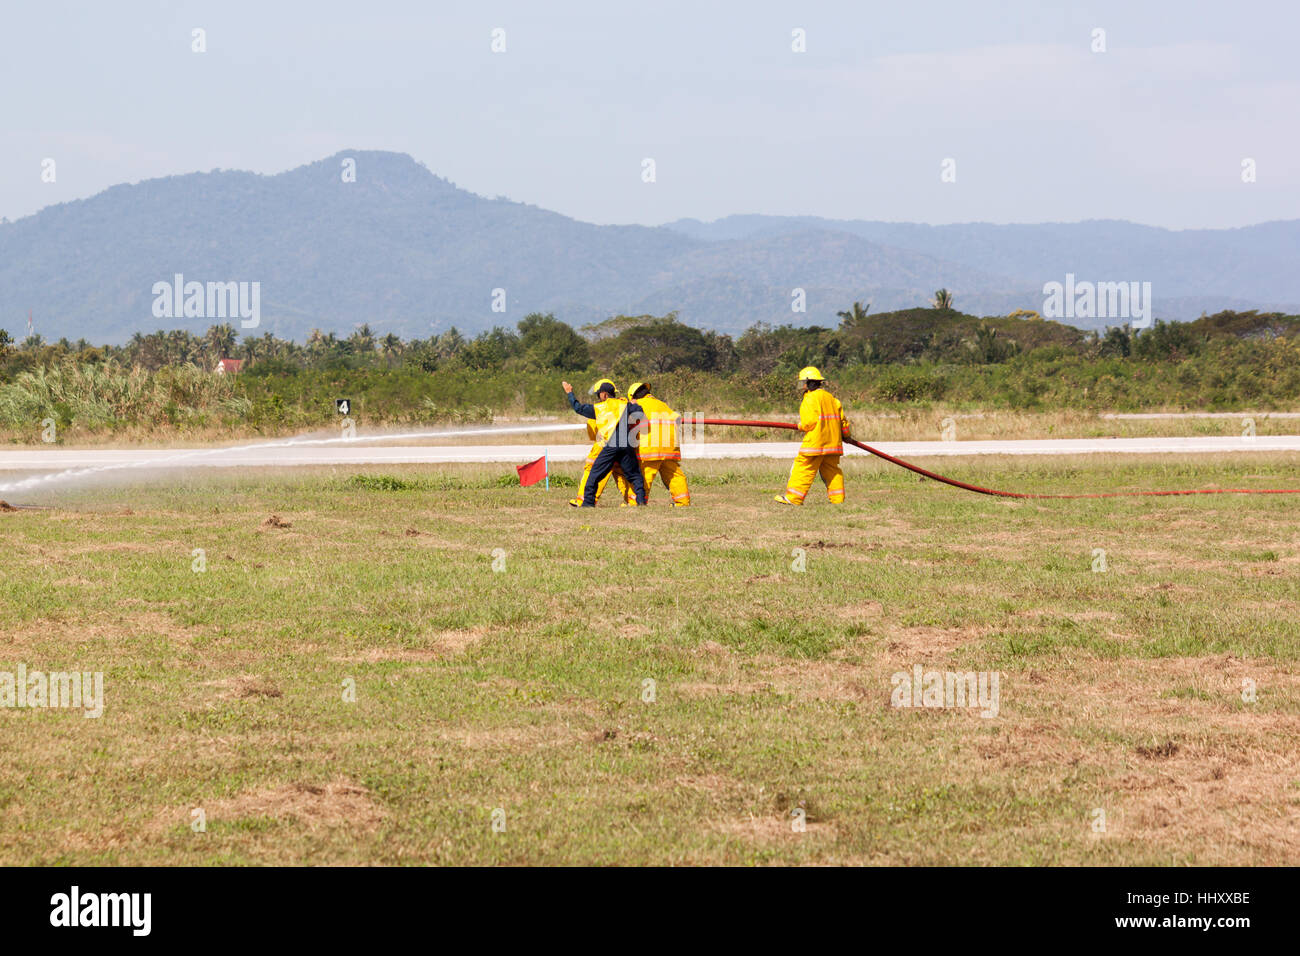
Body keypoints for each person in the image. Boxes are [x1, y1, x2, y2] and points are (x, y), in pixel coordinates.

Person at [562, 379, 647, 507]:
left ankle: (588, 503)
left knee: (594, 475)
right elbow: (640, 414)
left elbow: (578, 408)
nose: (599, 398)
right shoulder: (624, 404)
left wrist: (570, 393)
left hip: (611, 445)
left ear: (604, 395)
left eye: (599, 395)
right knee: (635, 475)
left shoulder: (599, 407)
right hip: (627, 444)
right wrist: (634, 404)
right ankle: (641, 501)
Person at [774, 366, 850, 506]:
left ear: (809, 382)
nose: (802, 385)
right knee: (832, 472)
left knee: (803, 468)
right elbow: (843, 422)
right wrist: (846, 436)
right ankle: (838, 500)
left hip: (815, 444)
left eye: (803, 382)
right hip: (833, 444)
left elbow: (809, 423)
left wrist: (800, 426)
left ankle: (794, 499)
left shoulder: (810, 398)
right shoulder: (832, 399)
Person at [627, 382, 690, 506]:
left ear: (633, 396)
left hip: (650, 448)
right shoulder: (663, 404)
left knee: (644, 476)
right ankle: (683, 502)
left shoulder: (638, 405)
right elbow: (677, 420)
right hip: (670, 448)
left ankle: (636, 502)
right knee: (674, 475)